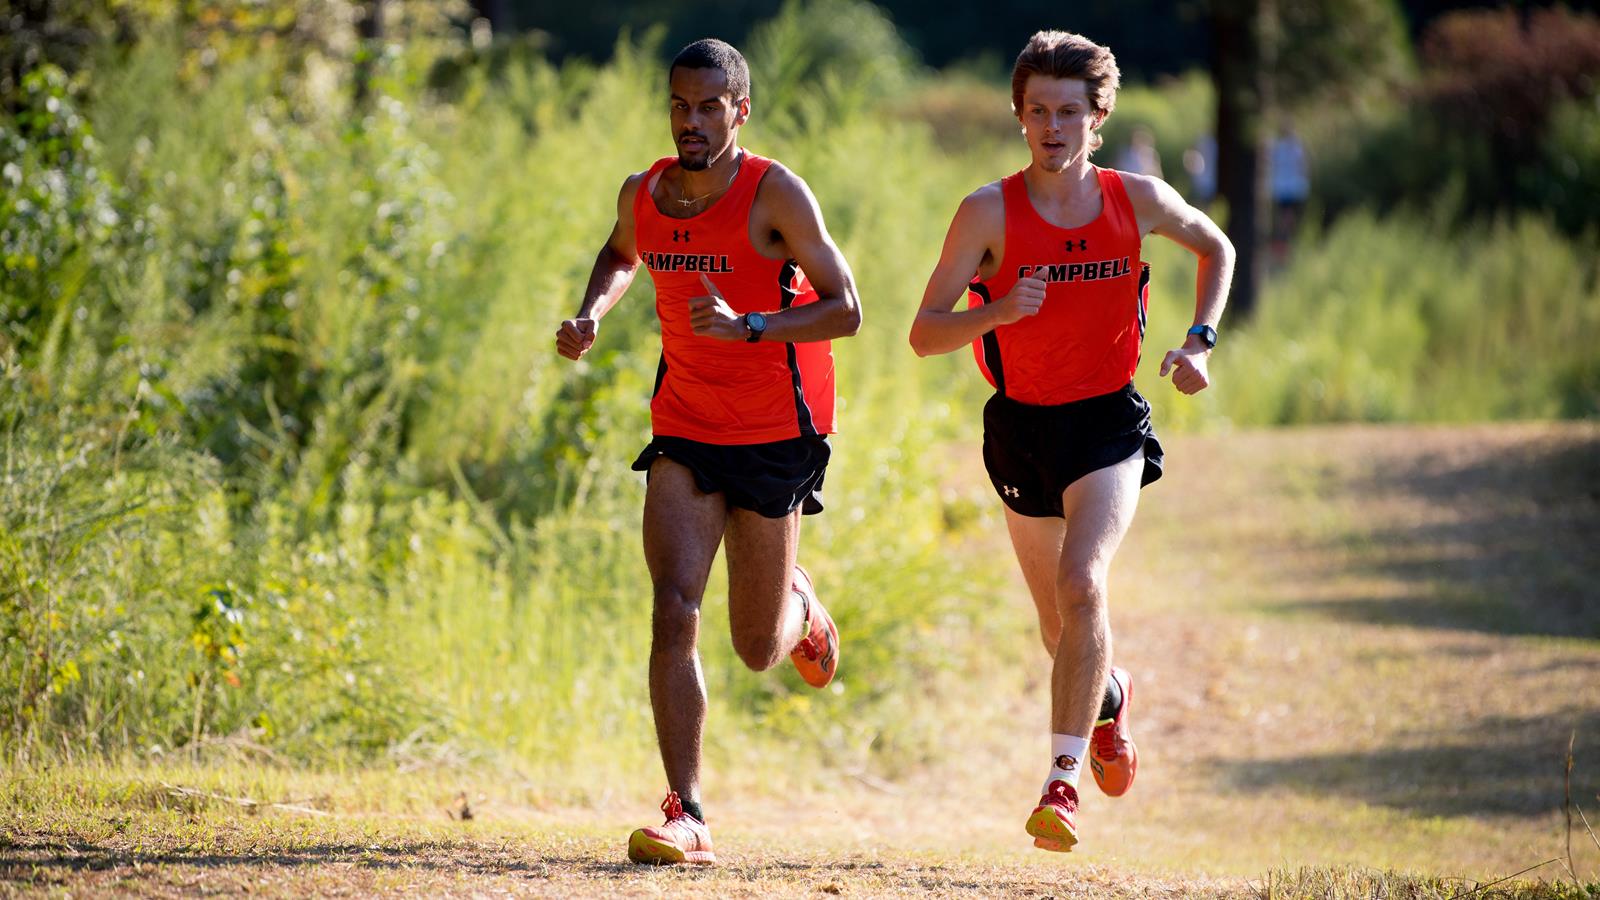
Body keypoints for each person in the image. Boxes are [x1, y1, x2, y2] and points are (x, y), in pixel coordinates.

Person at [908, 29, 1233, 852]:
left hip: (1106, 424)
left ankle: (1060, 784)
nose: (1052, 127)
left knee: (1083, 584)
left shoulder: (1138, 199)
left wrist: (1199, 341)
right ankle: (1109, 698)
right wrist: (996, 310)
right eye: (1037, 111)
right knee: (1060, 630)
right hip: (1020, 429)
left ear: (1099, 117)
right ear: (1020, 116)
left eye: (1069, 112)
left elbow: (1216, 246)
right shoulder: (987, 212)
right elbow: (924, 332)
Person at [554, 38, 862, 866]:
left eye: (709, 108)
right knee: (673, 606)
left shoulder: (775, 193)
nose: (691, 122)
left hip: (775, 433)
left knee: (756, 648)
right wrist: (592, 312)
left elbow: (847, 309)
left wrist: (751, 325)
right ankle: (686, 811)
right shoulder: (646, 192)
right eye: (679, 107)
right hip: (685, 423)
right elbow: (621, 252)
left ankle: (800, 608)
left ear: (740, 111)